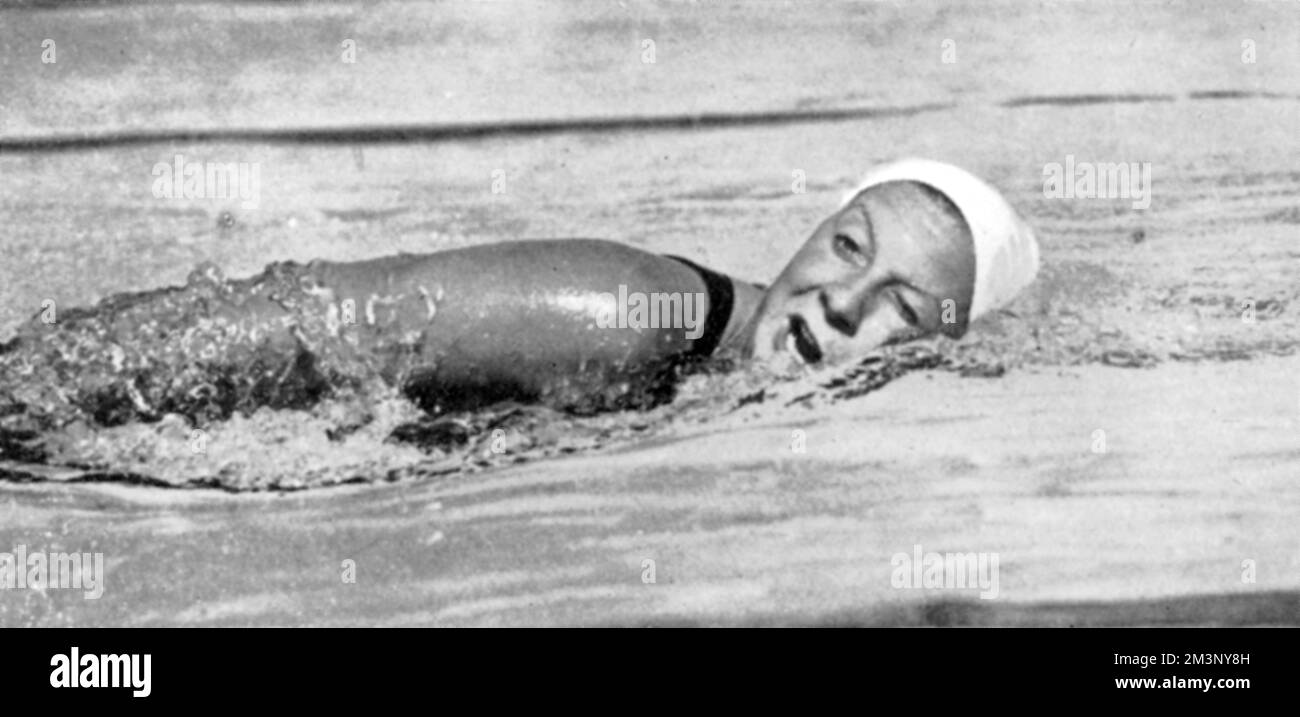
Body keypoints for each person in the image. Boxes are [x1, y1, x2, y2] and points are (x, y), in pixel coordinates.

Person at [0, 159, 1039, 453]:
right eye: (847, 248)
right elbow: (315, 318)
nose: (841, 301)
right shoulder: (625, 315)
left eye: (900, 303)